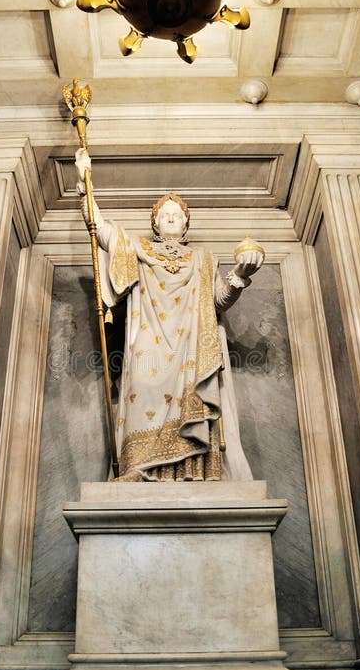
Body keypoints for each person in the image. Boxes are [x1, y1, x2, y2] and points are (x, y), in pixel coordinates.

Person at [75, 148, 264, 482]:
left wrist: (240, 274)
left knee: (191, 400)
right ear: (156, 224)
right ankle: (138, 470)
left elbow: (218, 301)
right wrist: (84, 180)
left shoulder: (202, 260)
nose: (171, 216)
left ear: (186, 225)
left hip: (192, 350)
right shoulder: (138, 249)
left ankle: (190, 473)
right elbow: (99, 227)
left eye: (177, 213)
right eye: (165, 214)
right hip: (149, 347)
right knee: (143, 389)